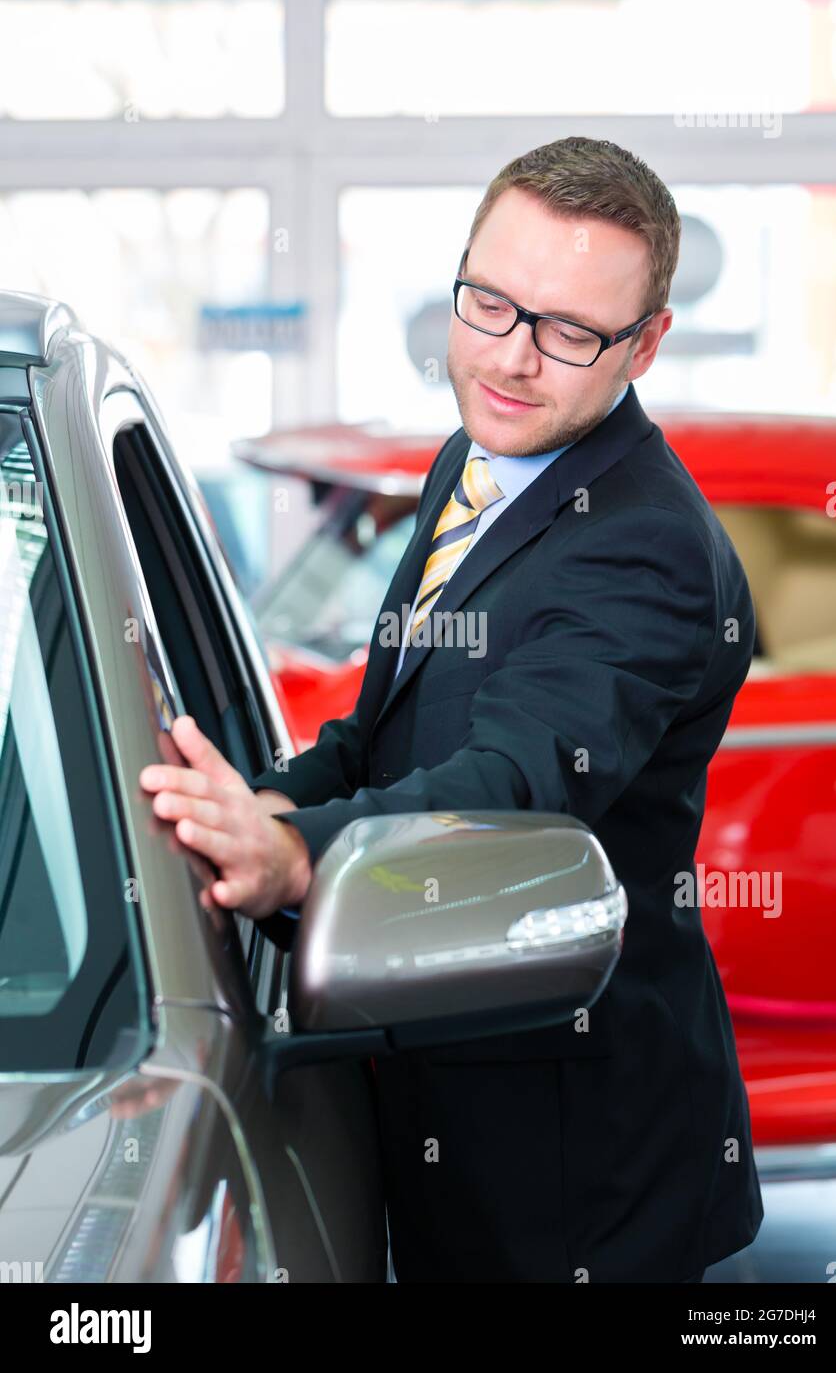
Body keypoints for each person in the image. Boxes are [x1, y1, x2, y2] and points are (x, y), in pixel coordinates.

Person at [139, 135, 764, 1284]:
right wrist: (268, 799)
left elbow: (508, 789)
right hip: (447, 1109)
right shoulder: (472, 458)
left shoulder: (645, 552)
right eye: (488, 305)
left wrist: (291, 861)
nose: (511, 359)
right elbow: (379, 734)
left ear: (646, 344)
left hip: (568, 1179)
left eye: (569, 331)